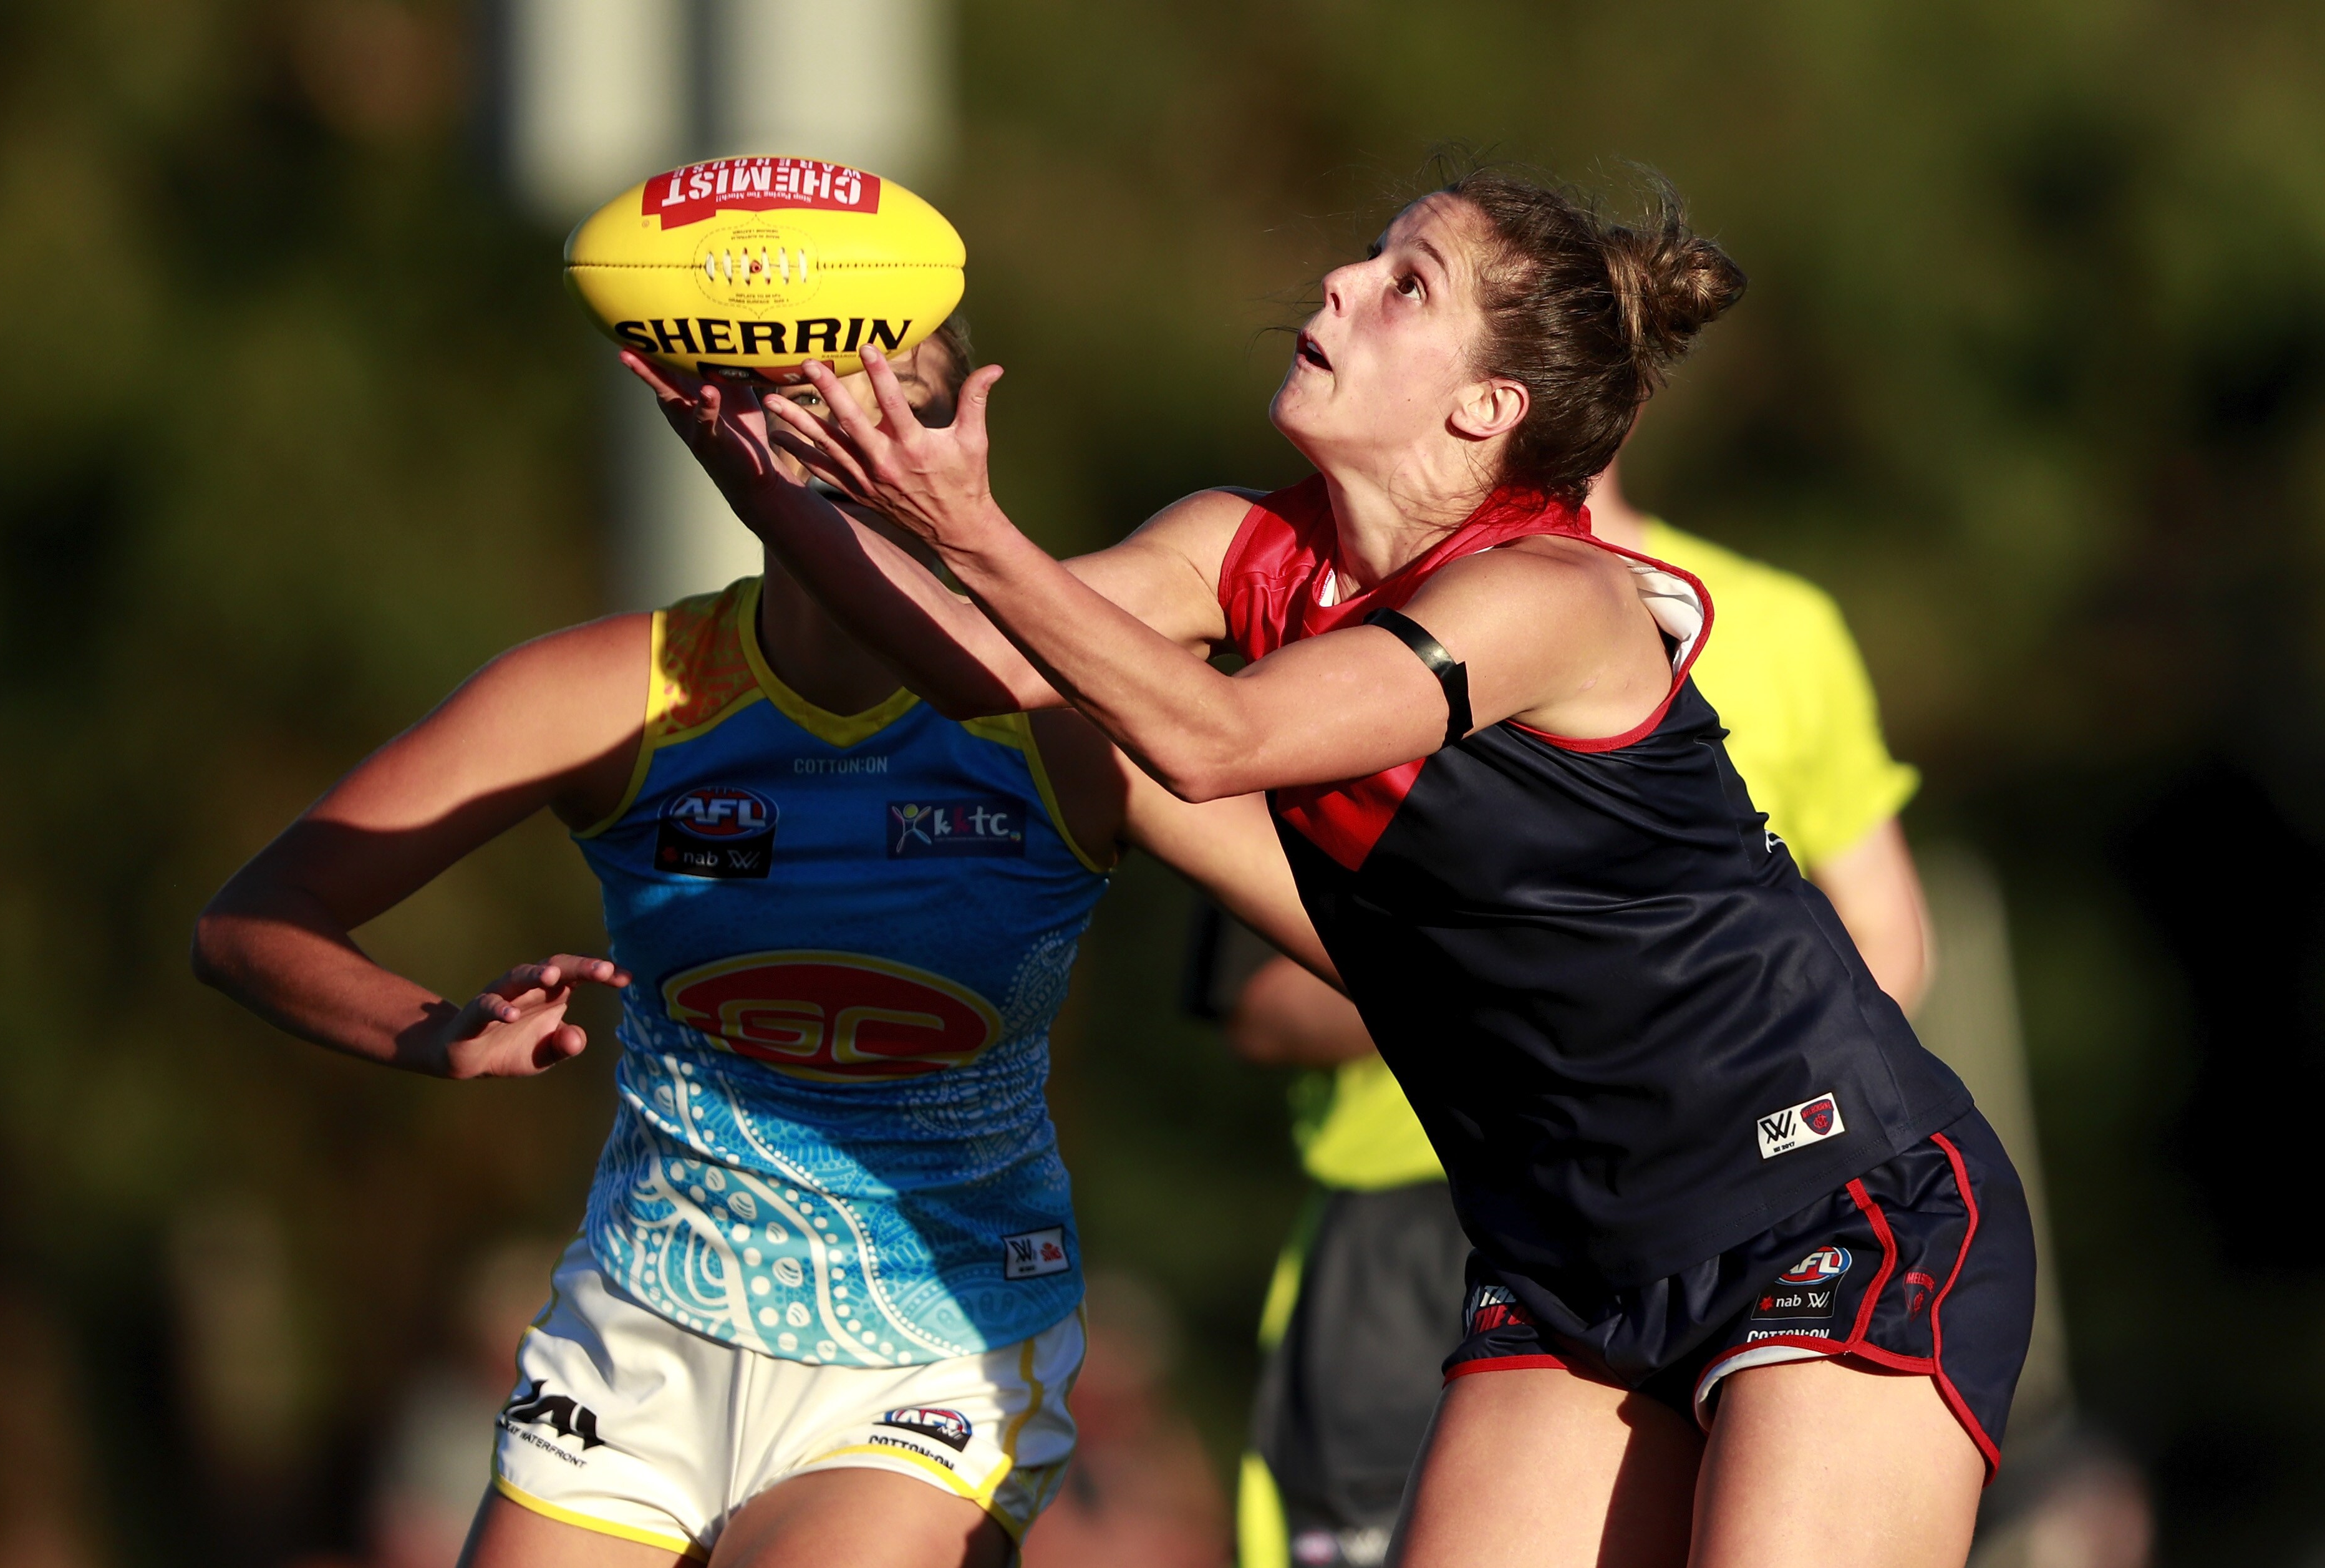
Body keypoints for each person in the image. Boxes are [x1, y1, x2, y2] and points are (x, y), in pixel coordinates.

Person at [632, 165, 2036, 1566]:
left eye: (1405, 283)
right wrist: (747, 454)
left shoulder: (1554, 596)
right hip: (1569, 1257)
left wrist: (971, 528)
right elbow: (979, 662)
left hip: (1831, 1201)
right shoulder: (1238, 544)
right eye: (1369, 254)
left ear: (1487, 408)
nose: (1339, 281)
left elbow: (1216, 738)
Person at [191, 324, 1338, 1568]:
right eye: (809, 396)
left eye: (893, 398)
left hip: (935, 1354)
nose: (850, 430)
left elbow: (1388, 950)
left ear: (963, 446)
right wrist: (432, 1030)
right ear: (736, 429)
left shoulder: (1074, 725)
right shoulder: (615, 692)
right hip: (640, 1338)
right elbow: (251, 919)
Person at [1206, 443, 1936, 1568]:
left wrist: (1722, 1076)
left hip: (1740, 1196)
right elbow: (1258, 1004)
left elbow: (1887, 940)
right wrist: (1526, 982)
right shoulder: (1324, 619)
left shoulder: (1781, 625)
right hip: (1410, 1216)